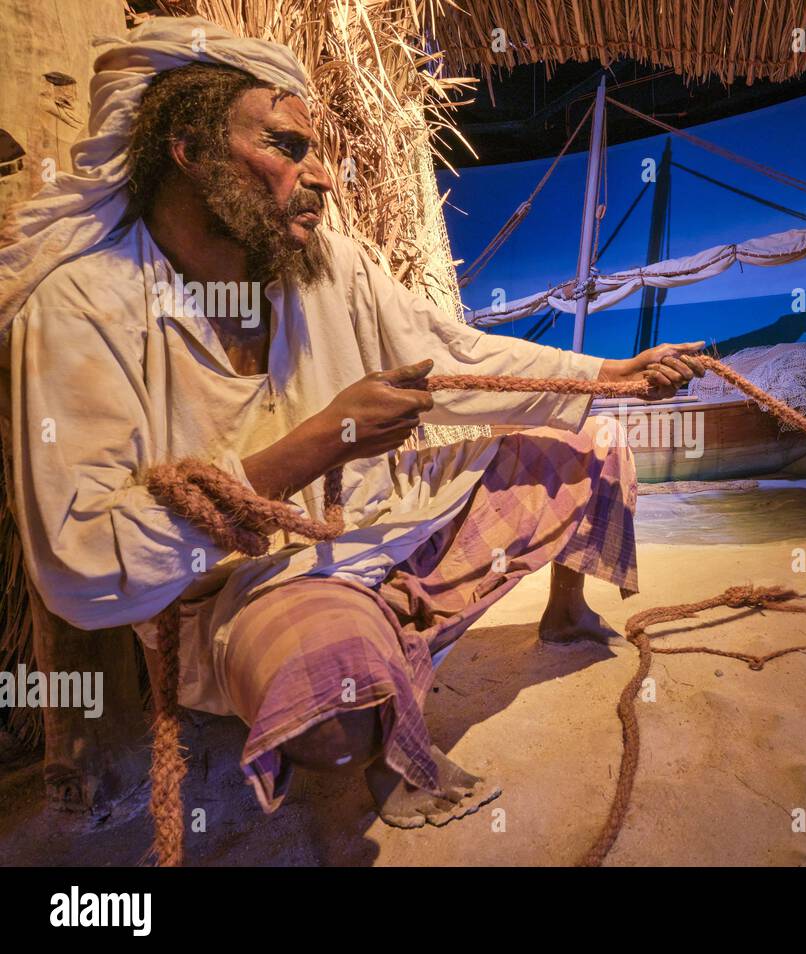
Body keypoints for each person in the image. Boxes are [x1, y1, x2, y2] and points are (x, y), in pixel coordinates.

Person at [0, 18, 705, 829]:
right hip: (251, 587)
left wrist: (611, 375)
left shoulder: (329, 265)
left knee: (591, 444)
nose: (324, 178)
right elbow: (84, 565)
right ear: (189, 148)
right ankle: (370, 708)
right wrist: (320, 441)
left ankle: (539, 614)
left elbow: (450, 357)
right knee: (332, 706)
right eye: (288, 148)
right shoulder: (81, 310)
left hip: (382, 520)